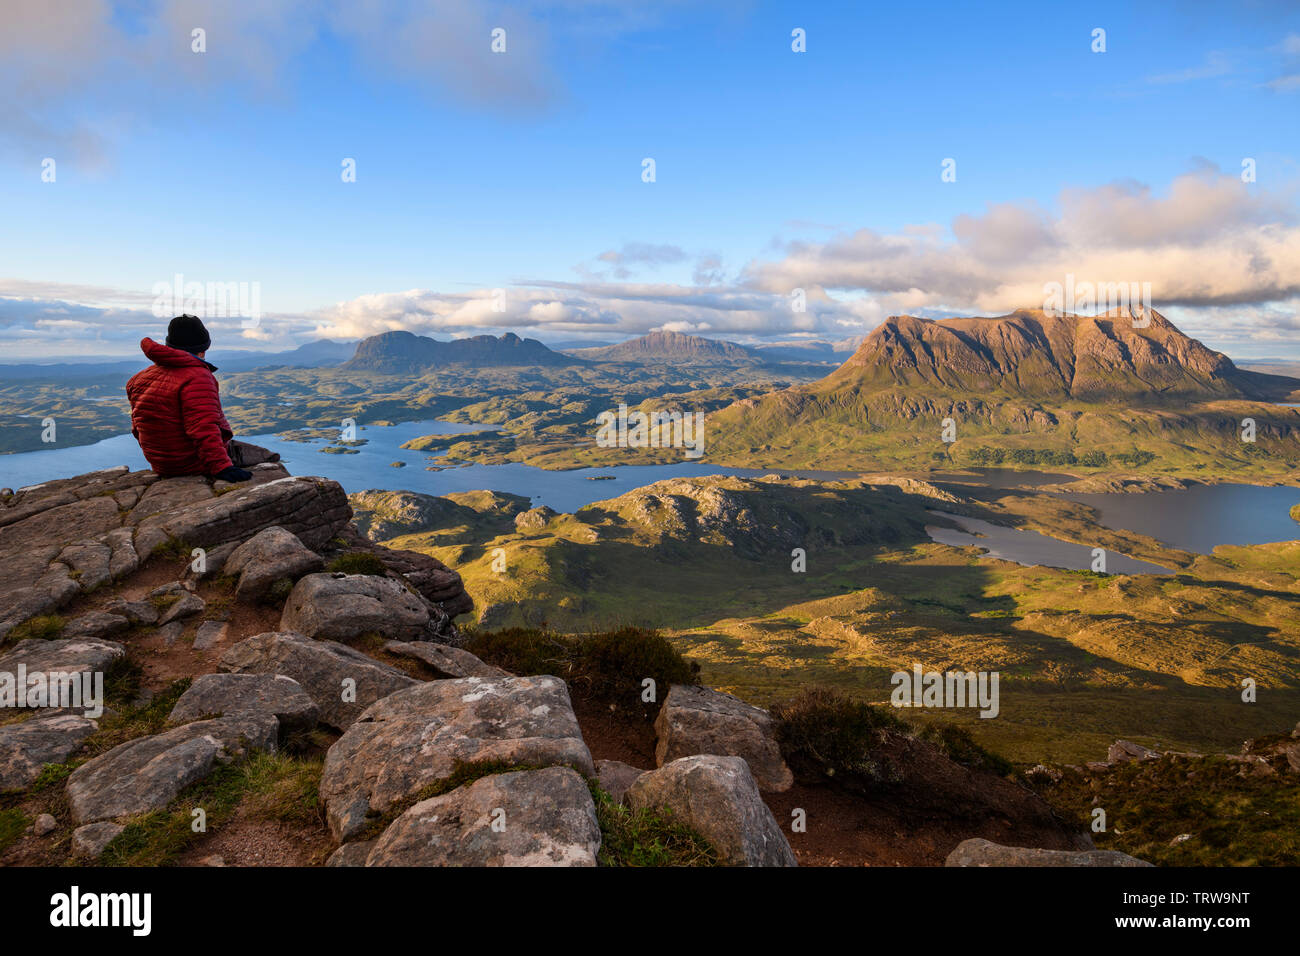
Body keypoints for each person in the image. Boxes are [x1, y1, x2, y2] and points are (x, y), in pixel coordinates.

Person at [126, 315, 278, 481]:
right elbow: (203, 427)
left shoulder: (140, 377)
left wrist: (161, 458)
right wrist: (222, 468)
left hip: (161, 463)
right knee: (268, 457)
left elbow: (137, 427)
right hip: (191, 463)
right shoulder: (198, 377)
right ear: (203, 348)